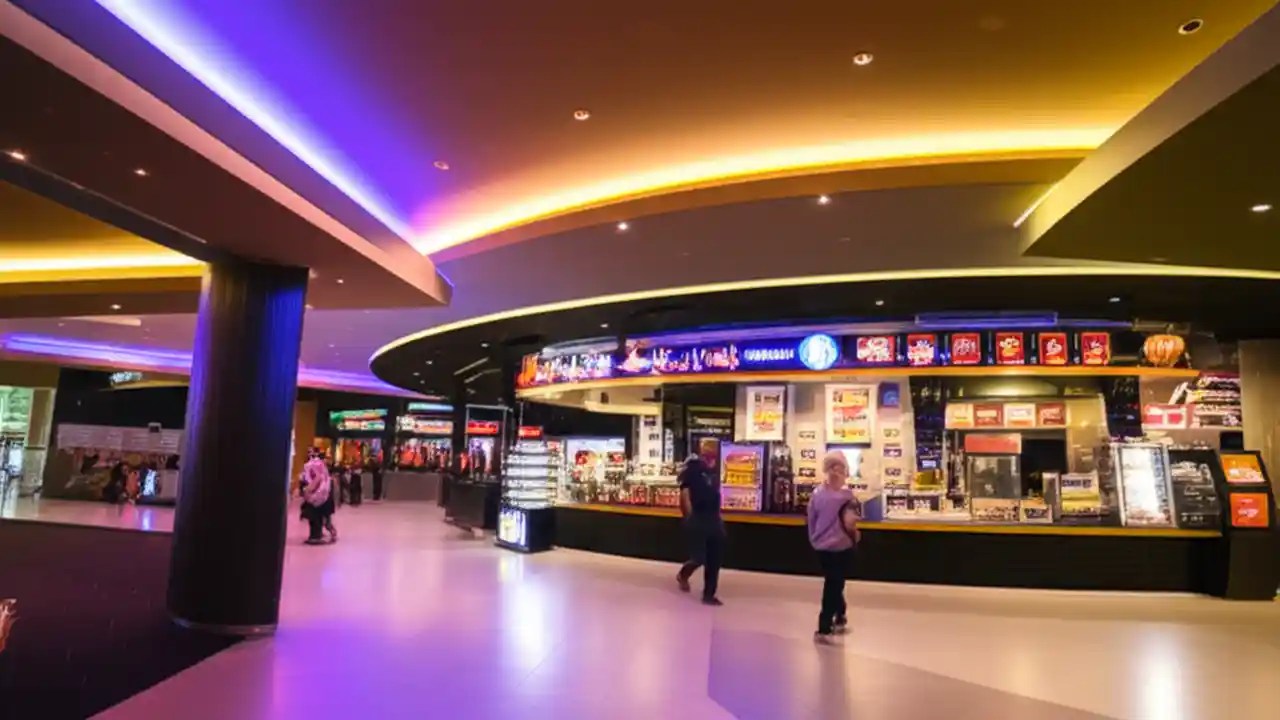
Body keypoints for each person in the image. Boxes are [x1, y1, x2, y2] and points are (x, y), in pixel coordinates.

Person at [807, 451, 860, 643]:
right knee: (834, 584)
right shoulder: (847, 496)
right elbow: (851, 523)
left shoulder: (816, 494)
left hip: (822, 547)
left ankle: (840, 615)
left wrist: (813, 539)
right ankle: (824, 625)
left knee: (834, 581)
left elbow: (811, 520)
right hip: (842, 546)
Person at [675, 453, 725, 606]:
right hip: (701, 519)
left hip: (713, 520)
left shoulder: (709, 477)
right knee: (701, 557)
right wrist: (691, 518)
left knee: (713, 559)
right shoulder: (691, 477)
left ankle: (709, 594)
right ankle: (683, 574)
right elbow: (685, 498)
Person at [301, 451, 337, 545]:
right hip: (323, 500)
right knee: (324, 519)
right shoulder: (322, 472)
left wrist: (307, 491)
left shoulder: (318, 473)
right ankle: (322, 534)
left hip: (320, 501)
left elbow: (313, 486)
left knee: (321, 519)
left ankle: (317, 536)